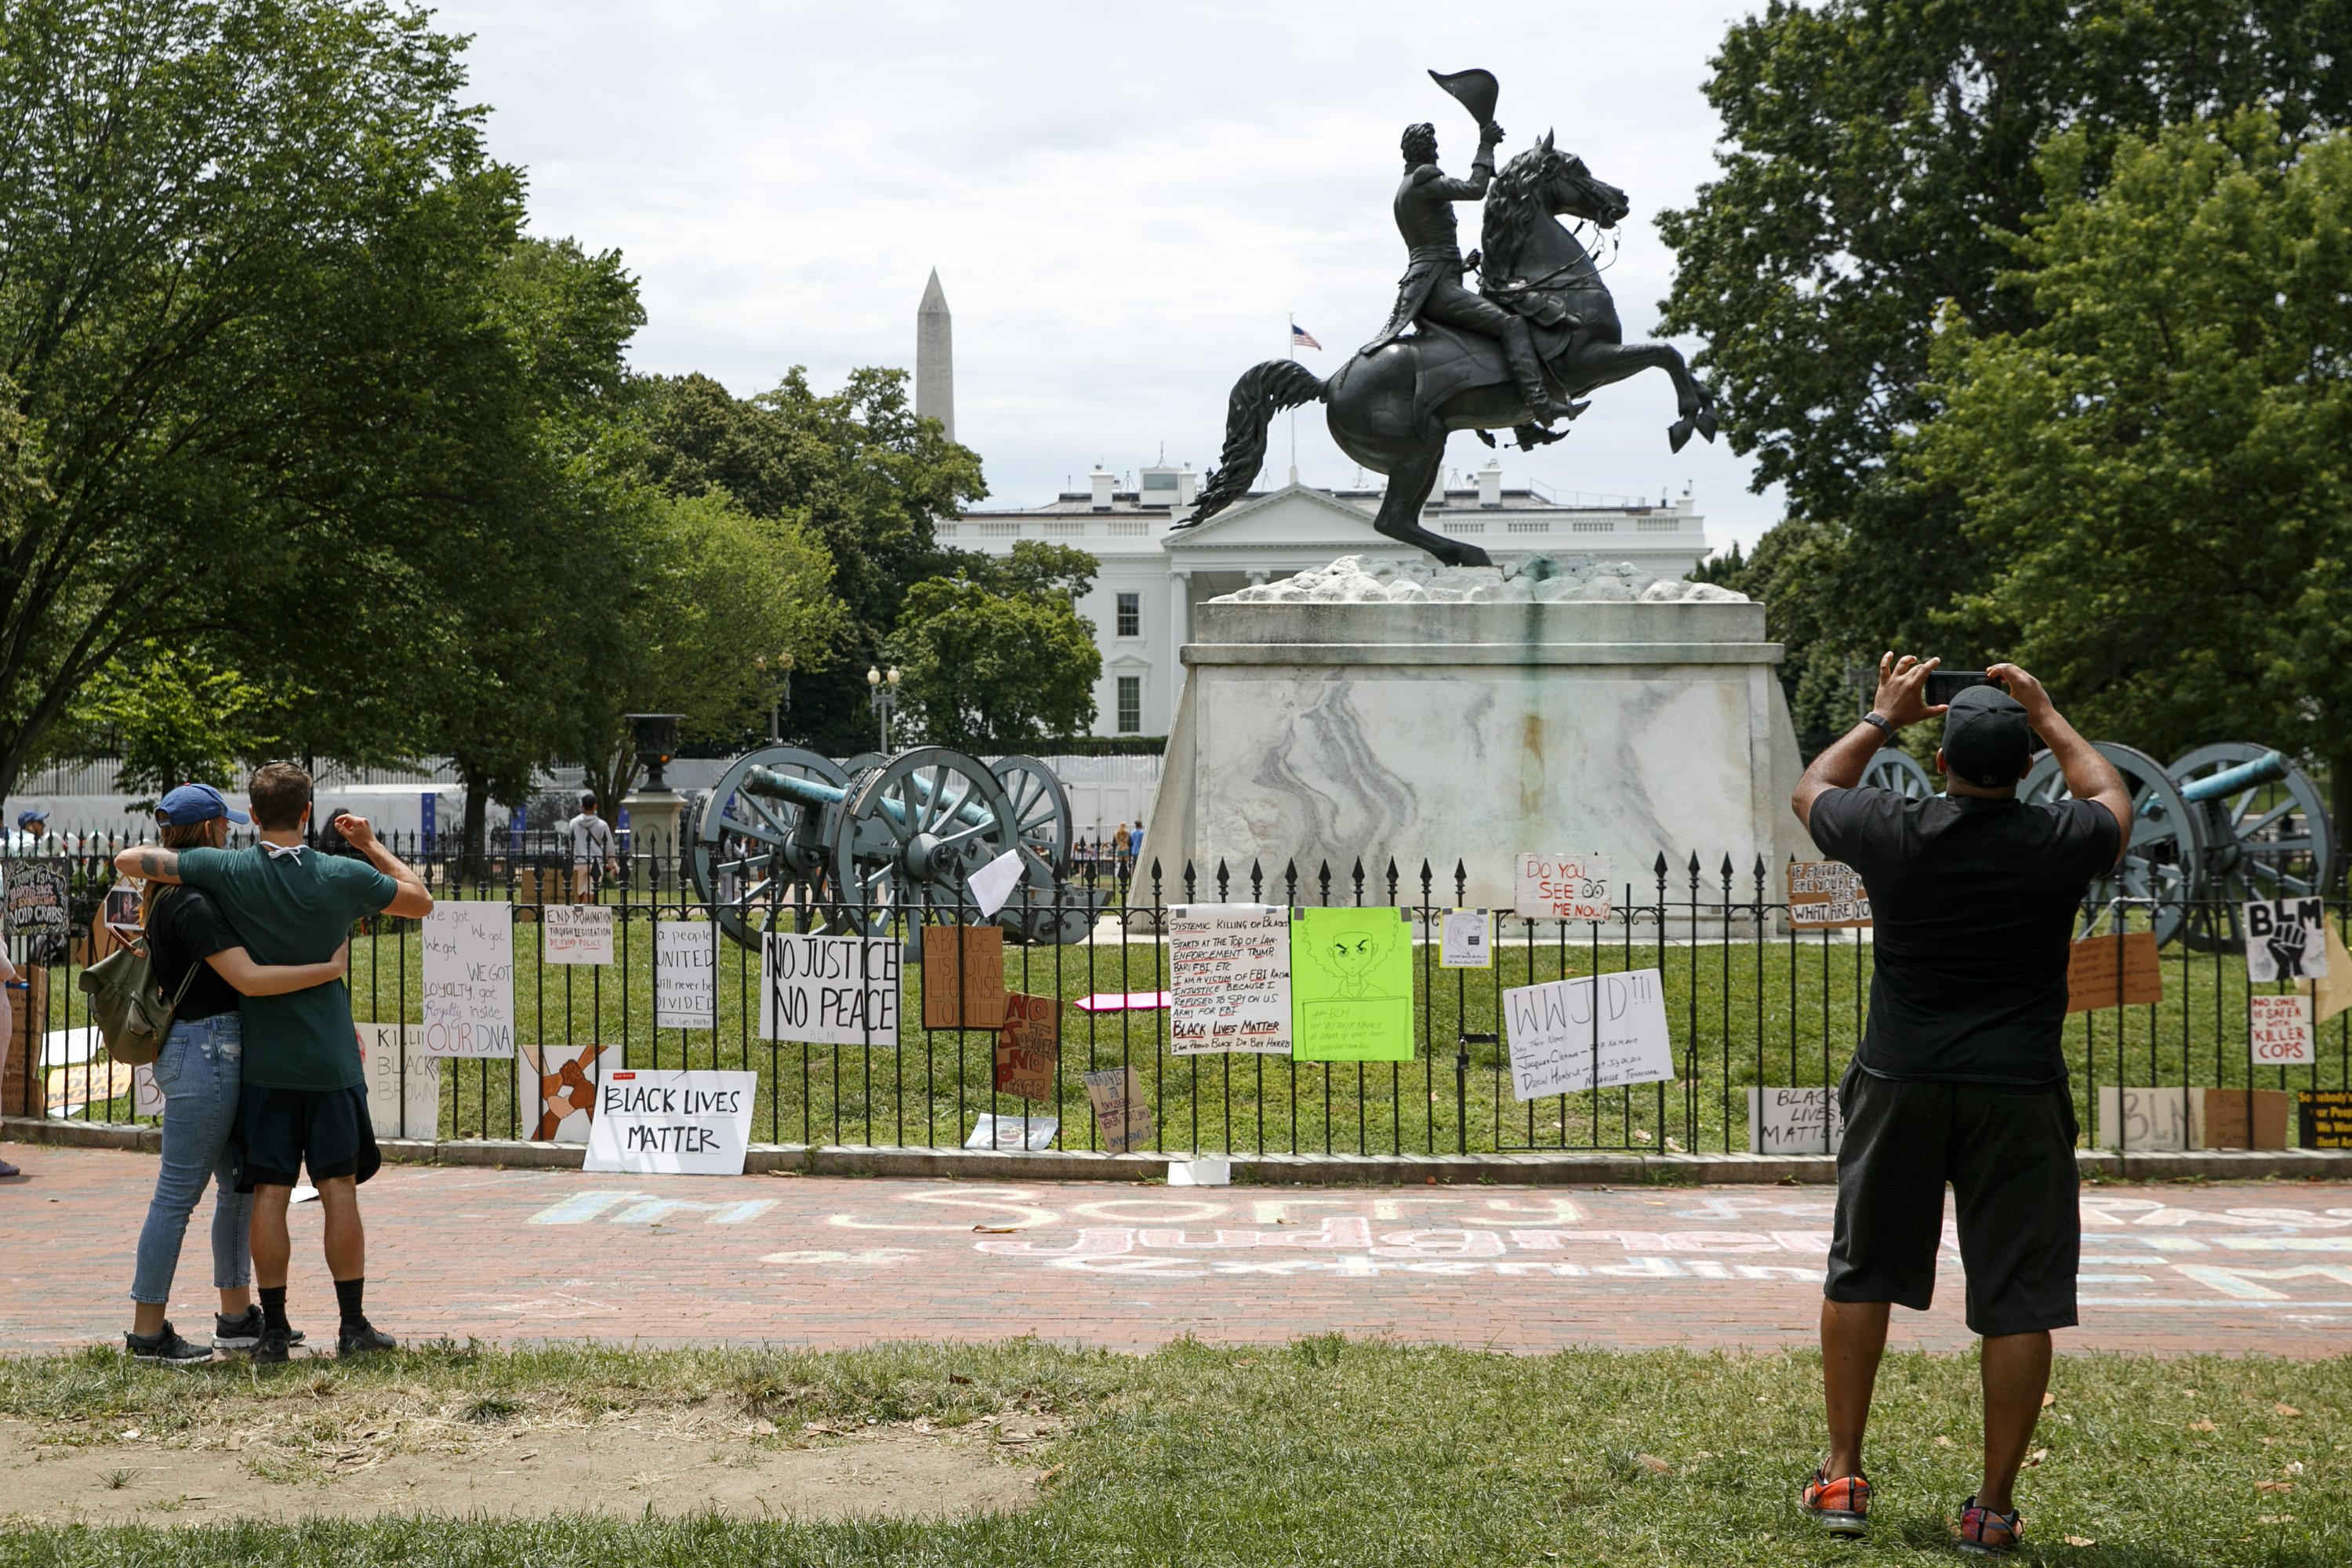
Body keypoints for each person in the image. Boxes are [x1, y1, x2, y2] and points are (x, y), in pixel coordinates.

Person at [1788, 655, 2128, 1557]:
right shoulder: (2062, 839)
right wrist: (2049, 714)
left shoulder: (1893, 829)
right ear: (2024, 768)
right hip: (2018, 1087)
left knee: (1861, 1268)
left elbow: (1813, 787)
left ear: (1941, 762)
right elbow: (2112, 797)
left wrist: (1880, 715)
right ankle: (1991, 1506)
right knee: (2020, 1296)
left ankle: (1844, 1471)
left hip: (1901, 1075)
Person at [118, 762, 434, 1363]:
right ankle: (352, 1325)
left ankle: (271, 1329)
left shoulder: (228, 868)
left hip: (264, 1060)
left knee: (267, 1190)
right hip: (331, 1058)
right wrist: (368, 843)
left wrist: (179, 850)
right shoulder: (342, 873)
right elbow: (420, 902)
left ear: (254, 816)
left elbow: (133, 862)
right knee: (338, 1185)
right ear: (308, 813)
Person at [121, 784, 348, 1364]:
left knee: (239, 1190)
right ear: (214, 829)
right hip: (207, 1052)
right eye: (224, 824)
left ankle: (236, 1315)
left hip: (207, 1050)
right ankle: (147, 1331)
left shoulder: (174, 893)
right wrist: (326, 971)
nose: (231, 834)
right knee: (178, 1195)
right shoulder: (192, 904)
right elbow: (246, 979)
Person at [1359, 119, 1578, 425]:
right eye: (1434, 146)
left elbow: (1427, 249)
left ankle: (1521, 424)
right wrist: (1485, 145)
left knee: (1493, 327)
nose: (1437, 152)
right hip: (1438, 290)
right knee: (1511, 325)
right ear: (1427, 150)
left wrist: (1461, 265)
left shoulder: (1404, 189)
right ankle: (1540, 406)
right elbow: (1475, 189)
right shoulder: (1424, 180)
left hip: (1429, 282)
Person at [561, 792, 619, 902]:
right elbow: (609, 847)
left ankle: (577, 915)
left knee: (577, 893)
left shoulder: (573, 823)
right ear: (595, 806)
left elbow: (571, 843)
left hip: (578, 861)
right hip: (595, 863)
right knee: (590, 893)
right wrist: (611, 864)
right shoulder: (602, 825)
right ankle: (587, 914)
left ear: (582, 806)